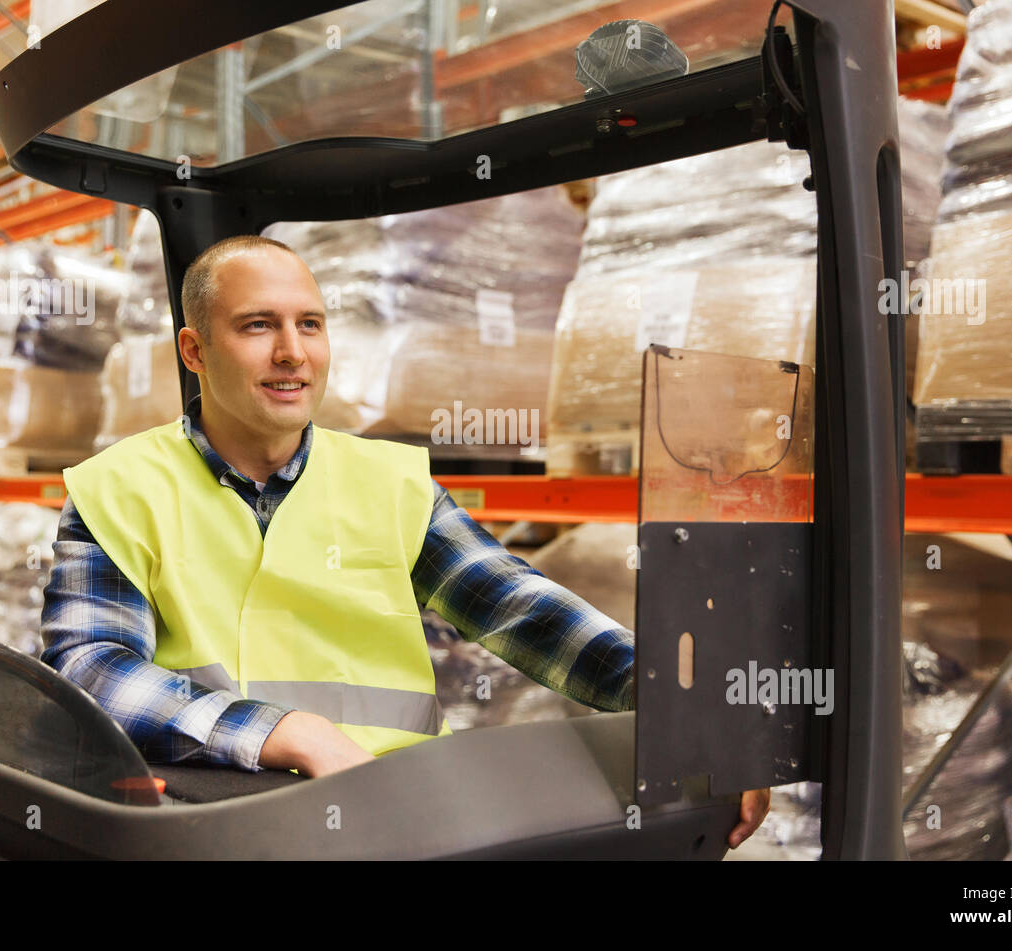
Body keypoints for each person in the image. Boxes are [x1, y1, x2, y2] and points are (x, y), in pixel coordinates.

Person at [40, 234, 770, 848]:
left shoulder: (389, 482)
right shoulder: (119, 488)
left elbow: (525, 609)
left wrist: (690, 716)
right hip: (217, 827)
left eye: (312, 325)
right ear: (194, 351)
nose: (294, 352)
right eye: (259, 325)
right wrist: (287, 732)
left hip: (400, 828)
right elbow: (90, 668)